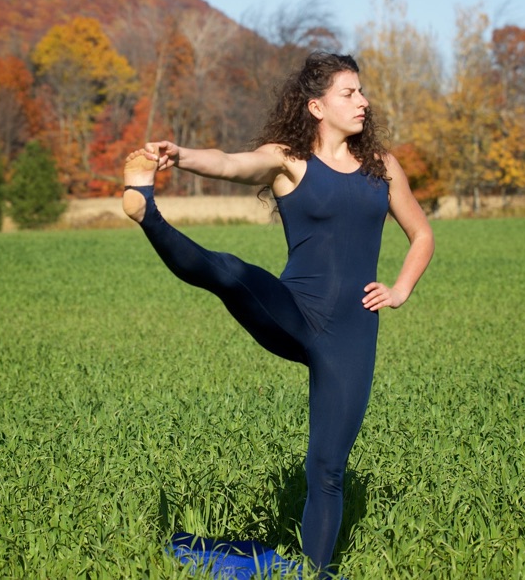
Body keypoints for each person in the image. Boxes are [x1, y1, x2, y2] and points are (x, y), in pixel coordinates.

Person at [121, 52, 434, 575]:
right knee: (231, 272)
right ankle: (147, 212)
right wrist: (182, 154)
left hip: (352, 333)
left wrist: (400, 288)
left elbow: (421, 233)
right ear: (317, 106)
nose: (363, 101)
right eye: (349, 93)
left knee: (327, 468)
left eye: (361, 93)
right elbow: (230, 162)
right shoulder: (290, 160)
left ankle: (316, 572)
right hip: (293, 310)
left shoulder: (383, 165)